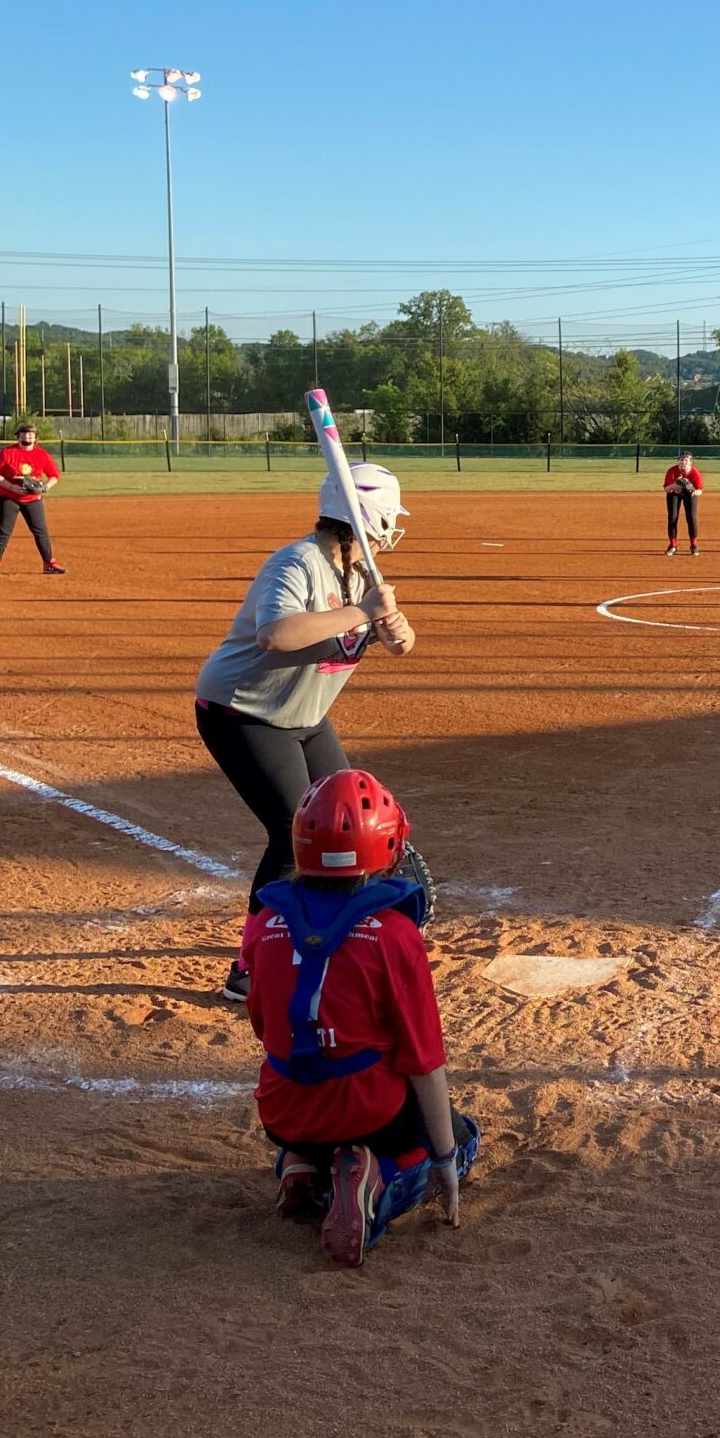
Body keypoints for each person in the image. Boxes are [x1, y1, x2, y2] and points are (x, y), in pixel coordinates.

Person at [195, 460, 416, 998]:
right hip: (243, 713)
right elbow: (276, 635)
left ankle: (333, 931)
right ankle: (248, 969)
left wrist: (397, 631)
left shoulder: (363, 572)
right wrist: (359, 612)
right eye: (389, 517)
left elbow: (398, 642)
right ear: (370, 516)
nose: (393, 529)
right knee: (296, 838)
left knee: (350, 823)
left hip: (304, 718)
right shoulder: (296, 564)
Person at [242, 769, 479, 1270]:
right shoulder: (393, 933)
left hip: (286, 1111)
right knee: (461, 1139)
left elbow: (264, 1026)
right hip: (365, 1108)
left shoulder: (265, 921)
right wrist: (444, 1158)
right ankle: (373, 1184)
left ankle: (302, 1164)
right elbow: (423, 1061)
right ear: (386, 847)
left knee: (316, 1081)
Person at [0, 423, 64, 576]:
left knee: (41, 531)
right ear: (18, 436)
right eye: (23, 434)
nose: (27, 437)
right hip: (8, 496)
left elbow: (55, 476)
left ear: (35, 438)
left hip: (32, 498)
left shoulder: (42, 455)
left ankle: (49, 563)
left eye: (30, 434)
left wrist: (44, 487)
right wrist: (11, 487)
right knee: (3, 531)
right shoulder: (7, 453)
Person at [663, 451, 704, 555]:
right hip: (674, 493)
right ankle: (672, 546)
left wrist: (694, 491)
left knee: (691, 518)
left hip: (690, 494)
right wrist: (673, 485)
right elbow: (666, 489)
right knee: (672, 518)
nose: (683, 462)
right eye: (681, 460)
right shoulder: (672, 471)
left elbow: (700, 490)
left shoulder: (694, 472)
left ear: (690, 462)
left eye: (686, 460)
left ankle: (693, 545)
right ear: (678, 462)